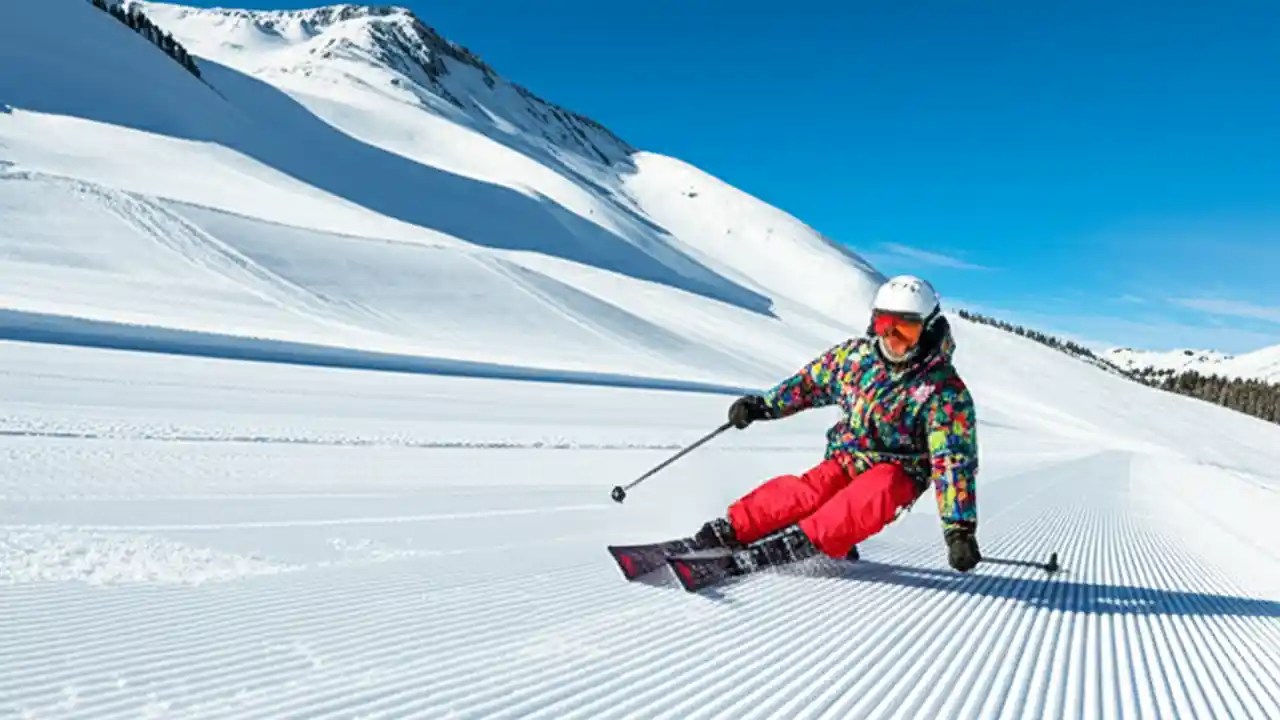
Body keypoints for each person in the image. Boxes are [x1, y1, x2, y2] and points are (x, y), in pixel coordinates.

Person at [691, 275, 982, 572]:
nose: (892, 338)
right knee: (808, 491)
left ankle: (808, 540)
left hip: (901, 470)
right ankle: (735, 527)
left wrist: (959, 530)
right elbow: (808, 385)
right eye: (885, 325)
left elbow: (952, 461)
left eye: (905, 329)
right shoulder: (855, 359)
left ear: (929, 329)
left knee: (874, 492)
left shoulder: (944, 391)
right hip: (848, 458)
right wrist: (762, 407)